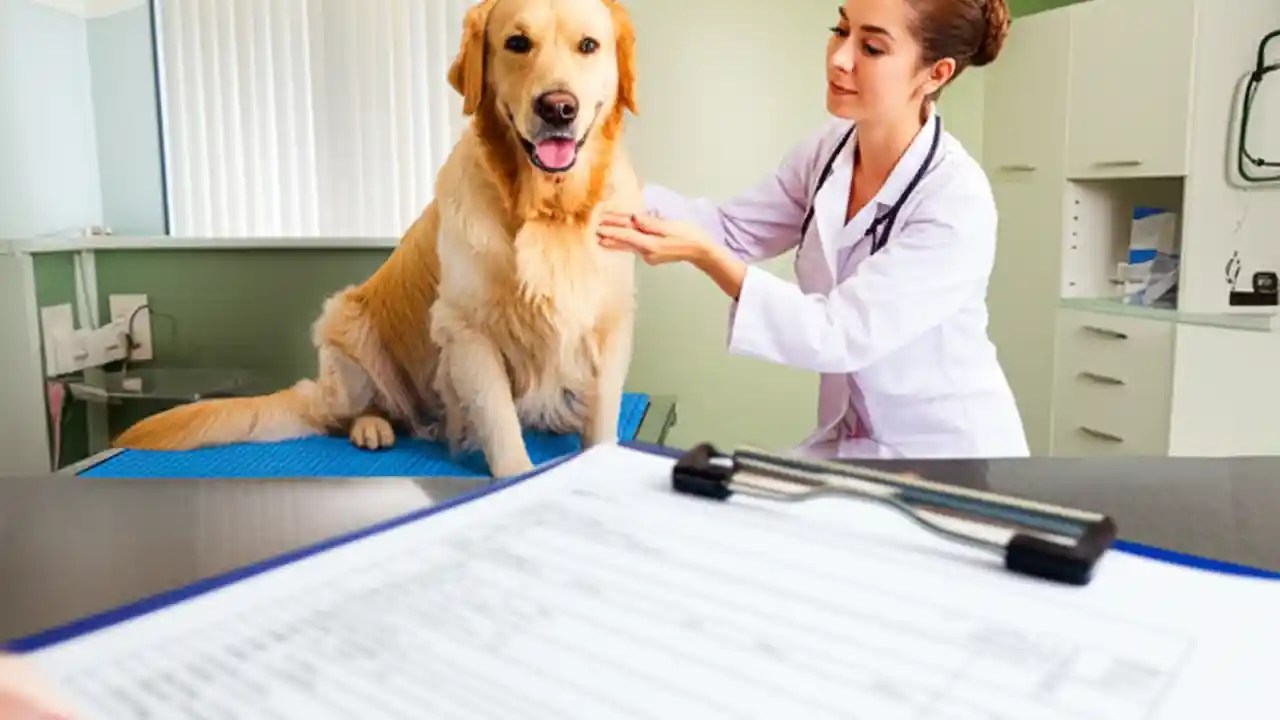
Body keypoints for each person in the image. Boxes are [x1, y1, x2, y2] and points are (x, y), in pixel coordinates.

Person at [597, 0, 1028, 460]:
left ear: (935, 74)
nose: (840, 58)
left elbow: (837, 333)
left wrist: (704, 256)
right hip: (853, 442)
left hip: (949, 456)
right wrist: (606, 191)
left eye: (872, 47)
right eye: (840, 29)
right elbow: (731, 229)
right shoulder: (829, 149)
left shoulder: (955, 200)